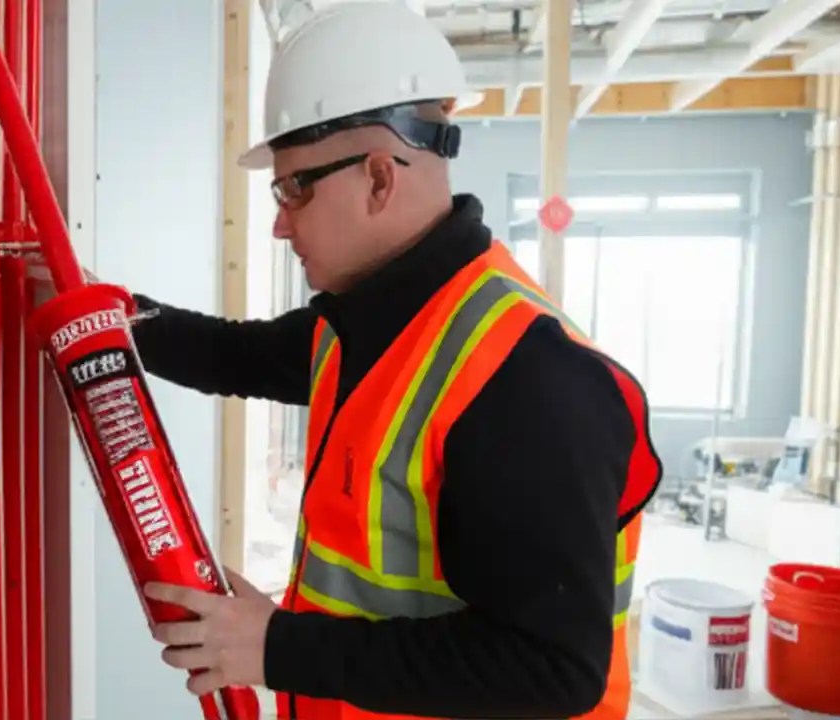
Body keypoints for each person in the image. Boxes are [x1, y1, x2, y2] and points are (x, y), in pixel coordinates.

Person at [125, 2, 664, 719]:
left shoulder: (529, 379)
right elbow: (237, 354)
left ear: (380, 178)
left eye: (295, 188)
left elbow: (552, 670)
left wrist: (277, 648)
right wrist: (105, 314)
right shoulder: (362, 323)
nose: (280, 222)